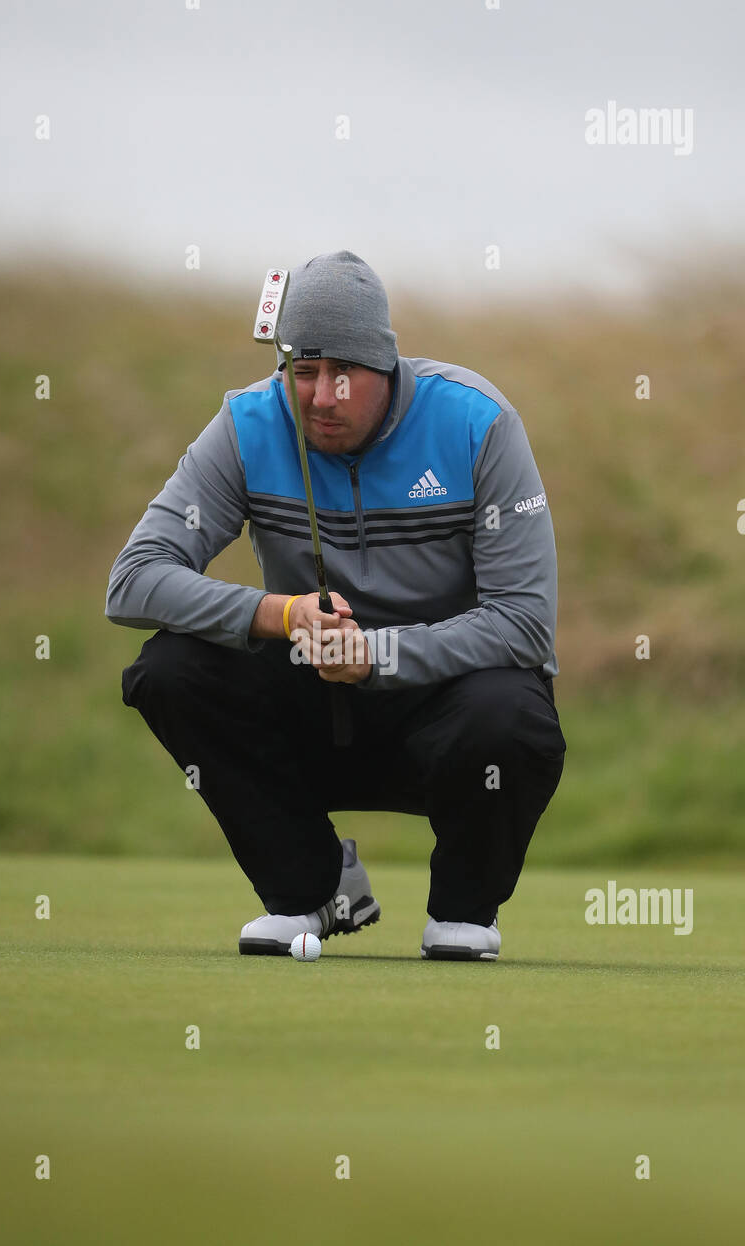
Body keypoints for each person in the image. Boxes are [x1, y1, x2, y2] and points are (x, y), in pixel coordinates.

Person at [107, 250, 566, 961]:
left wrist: (376, 656)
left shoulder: (477, 423)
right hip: (309, 703)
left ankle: (463, 912)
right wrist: (281, 616)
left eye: (343, 375)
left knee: (512, 713)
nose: (321, 398)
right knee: (169, 669)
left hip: (443, 716)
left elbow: (524, 622)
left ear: (385, 366)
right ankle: (311, 893)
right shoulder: (248, 425)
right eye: (304, 372)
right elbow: (134, 579)